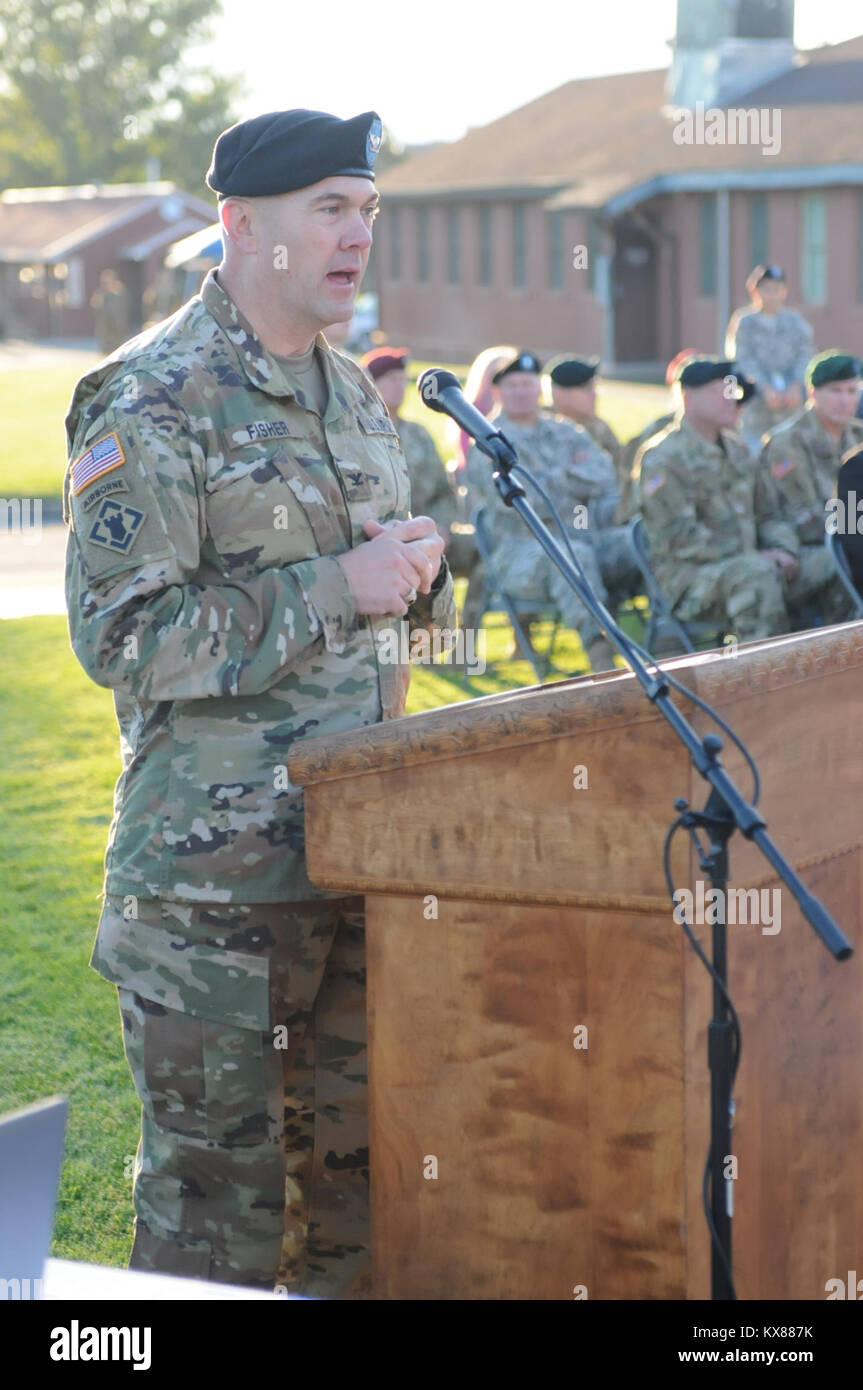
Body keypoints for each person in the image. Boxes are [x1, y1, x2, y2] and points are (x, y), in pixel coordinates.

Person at [62, 107, 456, 1300]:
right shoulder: (149, 396)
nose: (357, 236)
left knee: (355, 1201)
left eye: (368, 209)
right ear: (240, 224)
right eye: (329, 209)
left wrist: (405, 567)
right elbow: (126, 635)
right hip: (212, 897)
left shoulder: (352, 395)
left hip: (352, 867)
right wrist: (336, 583)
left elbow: (364, 616)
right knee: (211, 1227)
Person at [465, 350, 618, 672]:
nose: (521, 392)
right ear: (497, 392)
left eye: (528, 384)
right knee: (572, 554)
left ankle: (670, 646)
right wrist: (570, 475)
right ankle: (602, 655)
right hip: (517, 553)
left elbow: (605, 476)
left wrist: (548, 479)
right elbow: (518, 503)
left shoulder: (566, 431)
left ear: (540, 388)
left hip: (583, 536)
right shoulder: (488, 443)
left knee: (638, 542)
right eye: (512, 385)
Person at [635, 356, 797, 642]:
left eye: (732, 392)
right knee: (757, 576)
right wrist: (756, 556)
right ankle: (761, 680)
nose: (731, 400)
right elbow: (681, 539)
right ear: (687, 398)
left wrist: (785, 550)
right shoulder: (663, 458)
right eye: (719, 392)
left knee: (831, 567)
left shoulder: (738, 450)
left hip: (748, 564)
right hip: (690, 581)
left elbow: (769, 515)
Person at [361, 344, 482, 627]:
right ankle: (417, 638)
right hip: (381, 540)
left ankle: (464, 640)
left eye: (402, 379)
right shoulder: (357, 434)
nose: (399, 386)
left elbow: (443, 490)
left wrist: (441, 525)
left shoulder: (418, 434)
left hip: (429, 534)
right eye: (390, 380)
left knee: (482, 549)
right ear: (369, 385)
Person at [756, 350, 863, 627]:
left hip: (848, 539)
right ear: (812, 392)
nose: (845, 400)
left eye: (852, 390)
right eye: (835, 391)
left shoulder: (858, 435)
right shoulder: (787, 444)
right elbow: (806, 519)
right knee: (848, 560)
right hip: (799, 553)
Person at [546, 355, 640, 606]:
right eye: (586, 389)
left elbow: (616, 477)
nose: (594, 395)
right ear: (560, 394)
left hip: (604, 519)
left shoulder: (598, 428)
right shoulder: (545, 429)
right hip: (566, 527)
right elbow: (563, 482)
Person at [725, 265, 814, 451]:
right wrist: (764, 387)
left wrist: (797, 385)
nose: (771, 295)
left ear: (784, 291)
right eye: (766, 289)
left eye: (776, 289)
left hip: (791, 401)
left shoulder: (795, 322)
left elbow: (806, 354)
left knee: (792, 450)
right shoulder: (745, 322)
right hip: (757, 404)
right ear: (754, 291)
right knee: (755, 451)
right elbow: (741, 359)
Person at [90, 269, 131, 355]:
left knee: (117, 342)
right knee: (106, 341)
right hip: (105, 322)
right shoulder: (101, 293)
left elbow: (123, 304)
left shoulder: (119, 290)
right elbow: (96, 305)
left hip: (117, 322)